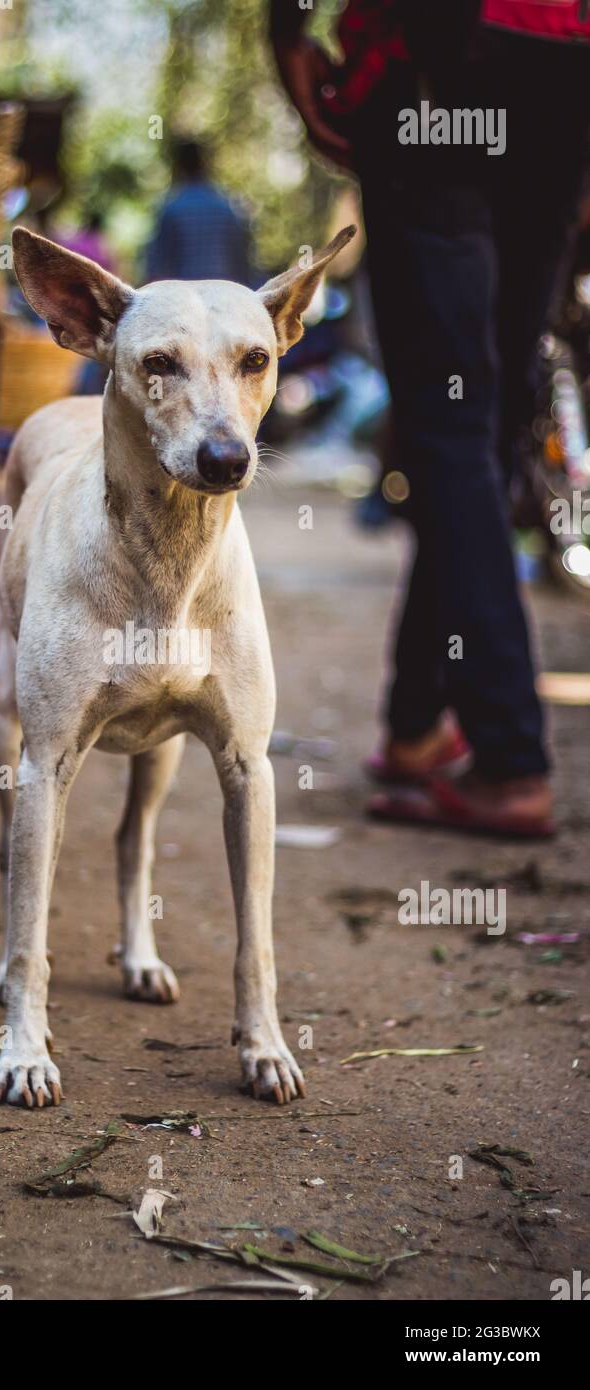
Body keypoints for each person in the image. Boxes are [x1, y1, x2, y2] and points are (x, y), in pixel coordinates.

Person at [270, 0, 590, 837]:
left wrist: (289, 30)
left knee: (454, 430)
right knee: (474, 431)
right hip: (562, 72)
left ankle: (513, 762)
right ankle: (416, 723)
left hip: (438, 62)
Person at [145, 138, 251, 285]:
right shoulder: (225, 206)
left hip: (184, 296)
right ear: (204, 164)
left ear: (179, 166)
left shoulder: (171, 208)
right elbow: (240, 258)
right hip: (223, 292)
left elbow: (157, 264)